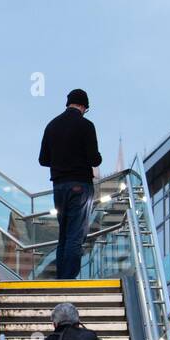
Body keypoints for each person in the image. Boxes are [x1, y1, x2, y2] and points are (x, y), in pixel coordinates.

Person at [38, 88, 102, 280]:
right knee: (76, 234)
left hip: (59, 186)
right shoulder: (86, 126)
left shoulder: (52, 126)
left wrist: (60, 161)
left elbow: (43, 159)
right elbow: (94, 159)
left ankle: (60, 277)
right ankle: (68, 280)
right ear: (83, 106)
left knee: (64, 235)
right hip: (80, 185)